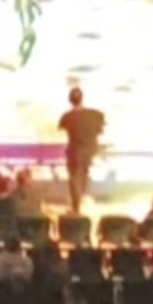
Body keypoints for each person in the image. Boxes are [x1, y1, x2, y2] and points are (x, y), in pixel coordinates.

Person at [59, 85, 105, 213]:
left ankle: (76, 207)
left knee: (75, 177)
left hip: (75, 151)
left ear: (70, 100)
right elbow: (100, 131)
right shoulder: (96, 114)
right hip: (90, 150)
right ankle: (78, 202)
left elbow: (62, 129)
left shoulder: (67, 117)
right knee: (83, 175)